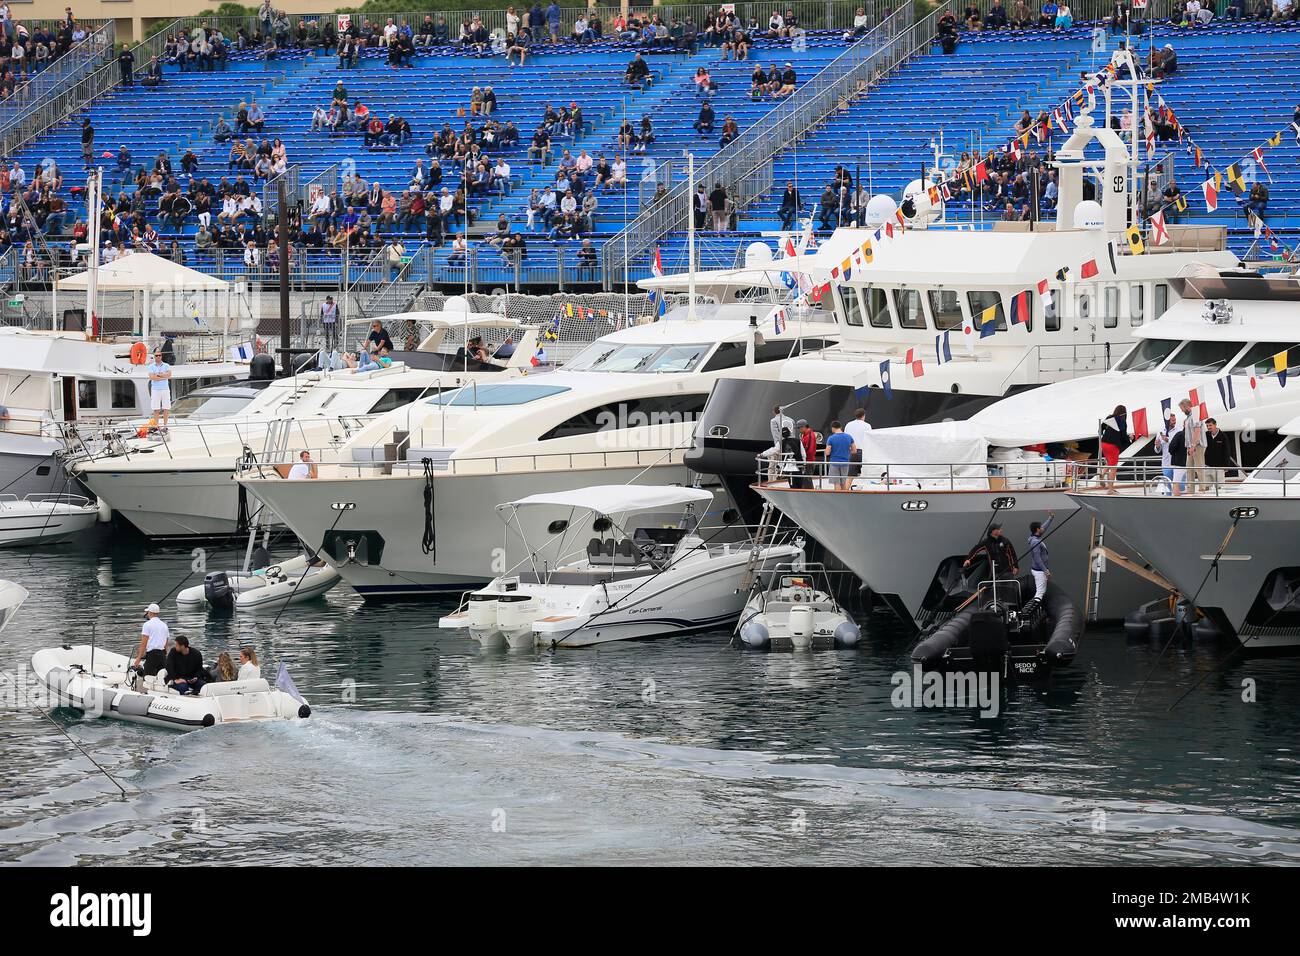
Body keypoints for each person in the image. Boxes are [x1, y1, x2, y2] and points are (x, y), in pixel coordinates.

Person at [131, 602, 170, 676]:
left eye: (148, 612)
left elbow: (144, 643)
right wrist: (164, 655)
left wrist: (138, 658)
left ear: (150, 612)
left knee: (148, 678)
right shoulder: (164, 625)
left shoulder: (147, 625)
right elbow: (166, 642)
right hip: (162, 655)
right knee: (161, 677)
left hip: (152, 655)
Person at [1099, 404, 1129, 491]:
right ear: (1124, 413)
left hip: (1104, 443)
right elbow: (1123, 435)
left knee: (1110, 462)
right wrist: (1129, 440)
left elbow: (1100, 430)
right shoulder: (1122, 421)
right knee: (1113, 468)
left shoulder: (1109, 418)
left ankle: (1102, 474)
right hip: (1113, 445)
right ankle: (1110, 489)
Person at [1180, 398, 1207, 493]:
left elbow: (1197, 430)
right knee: (1189, 467)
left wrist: (1193, 445)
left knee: (1199, 467)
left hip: (1197, 445)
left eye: (1182, 408)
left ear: (1186, 406)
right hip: (1190, 446)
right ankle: (1190, 489)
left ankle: (1202, 488)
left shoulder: (1195, 415)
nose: (1182, 411)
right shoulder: (1188, 418)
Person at [1027, 513, 1054, 602]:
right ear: (1037, 529)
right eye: (1040, 527)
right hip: (1039, 571)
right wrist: (1045, 571)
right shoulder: (1035, 542)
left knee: (1042, 591)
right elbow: (1037, 558)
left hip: (1040, 570)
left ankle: (1036, 608)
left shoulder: (1035, 537)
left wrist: (1050, 518)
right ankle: (1031, 610)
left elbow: (1044, 529)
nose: (1043, 528)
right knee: (1040, 593)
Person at [823, 420, 855, 490]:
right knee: (843, 482)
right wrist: (847, 451)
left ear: (833, 428)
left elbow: (827, 452)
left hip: (834, 463)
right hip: (845, 462)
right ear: (841, 427)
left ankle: (837, 497)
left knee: (836, 483)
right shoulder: (849, 437)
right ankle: (844, 497)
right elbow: (854, 450)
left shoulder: (831, 438)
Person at [146, 347, 172, 428]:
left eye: (159, 355)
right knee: (156, 409)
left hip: (165, 389)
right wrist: (164, 376)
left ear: (161, 356)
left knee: (166, 408)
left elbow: (169, 375)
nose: (158, 357)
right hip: (155, 389)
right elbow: (152, 377)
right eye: (156, 355)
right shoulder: (151, 366)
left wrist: (158, 375)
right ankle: (156, 426)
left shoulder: (166, 365)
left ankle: (165, 425)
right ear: (154, 356)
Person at [844, 407, 872, 476]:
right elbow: (870, 440)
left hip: (851, 452)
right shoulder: (867, 426)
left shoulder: (848, 425)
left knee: (850, 475)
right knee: (865, 474)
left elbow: (845, 438)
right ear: (863, 415)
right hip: (863, 452)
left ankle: (846, 487)